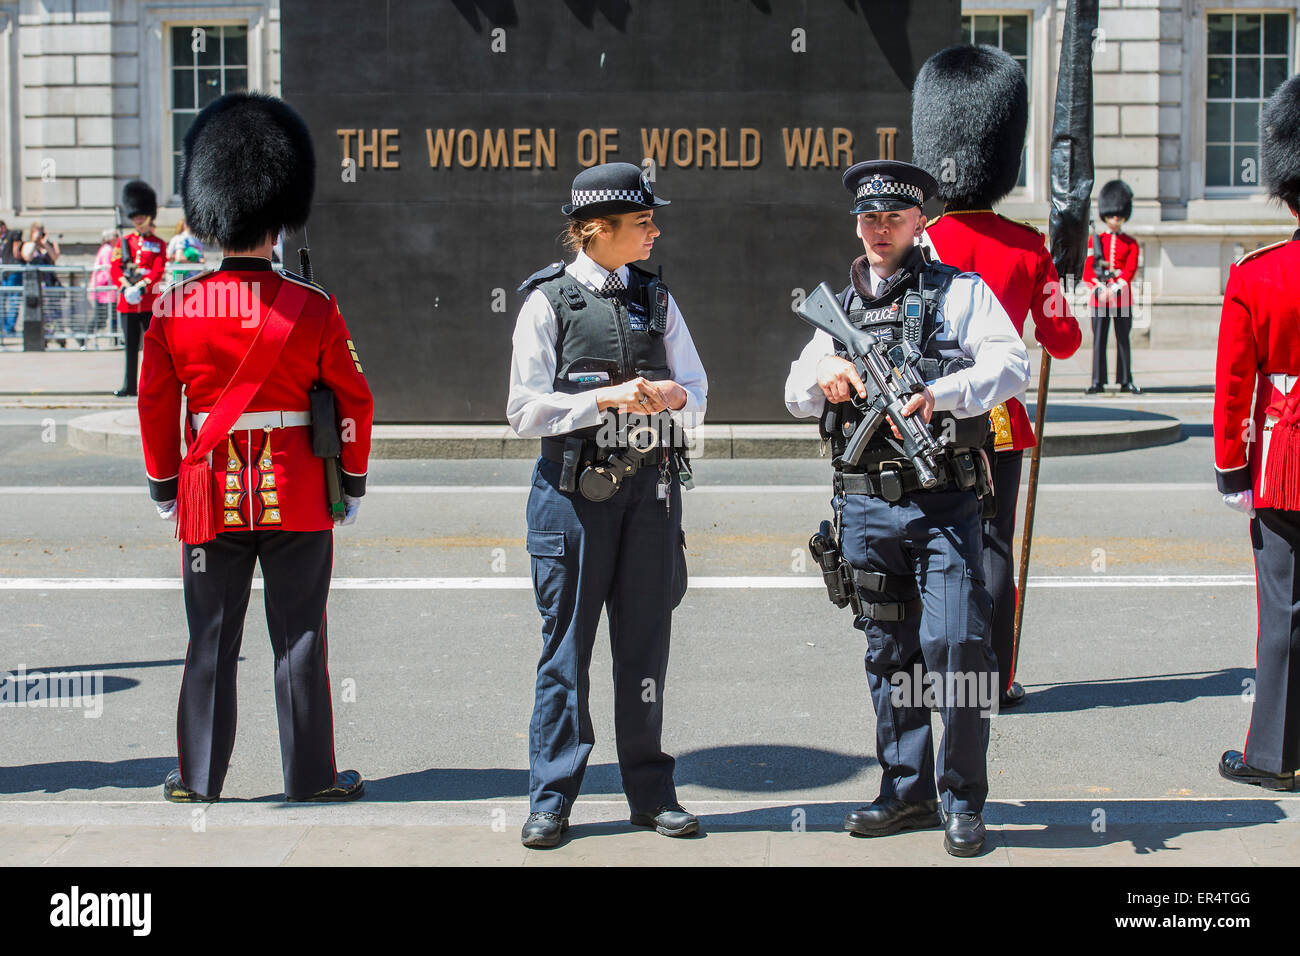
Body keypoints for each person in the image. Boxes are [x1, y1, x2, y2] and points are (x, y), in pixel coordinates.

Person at [784, 160, 1030, 856]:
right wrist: (825, 372)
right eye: (869, 219)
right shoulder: (837, 307)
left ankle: (962, 797)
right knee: (890, 653)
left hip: (945, 498)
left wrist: (943, 393)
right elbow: (795, 392)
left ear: (922, 221)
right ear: (856, 225)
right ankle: (905, 791)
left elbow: (1013, 364)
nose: (880, 230)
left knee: (959, 646)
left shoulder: (960, 292)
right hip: (865, 507)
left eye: (894, 218)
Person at [138, 92, 374, 803]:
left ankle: (200, 778)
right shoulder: (314, 305)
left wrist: (162, 484)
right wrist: (352, 481)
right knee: (300, 638)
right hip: (298, 491)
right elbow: (357, 399)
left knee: (208, 637)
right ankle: (310, 777)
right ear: (278, 215)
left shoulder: (174, 308)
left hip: (210, 493)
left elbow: (155, 403)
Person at [507, 162, 708, 848]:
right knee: (565, 651)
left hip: (651, 497)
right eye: (642, 223)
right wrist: (605, 400)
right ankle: (552, 797)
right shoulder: (547, 302)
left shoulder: (658, 298)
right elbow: (523, 410)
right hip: (572, 499)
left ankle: (651, 795)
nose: (655, 232)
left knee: (645, 649)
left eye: (652, 221)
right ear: (596, 231)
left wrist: (677, 400)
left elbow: (699, 391)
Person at [911, 44, 1082, 708]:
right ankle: (997, 676)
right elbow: (1063, 341)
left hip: (930, 415)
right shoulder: (1026, 245)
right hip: (1002, 420)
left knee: (934, 542)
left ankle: (939, 668)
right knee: (992, 546)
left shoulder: (923, 241)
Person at [1213, 75, 1300, 793]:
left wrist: (1231, 467)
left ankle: (1273, 755)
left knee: (1284, 609)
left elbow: (1235, 386)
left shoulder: (1260, 275)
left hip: (1286, 460)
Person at [1083, 180, 1141, 394]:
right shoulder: (1094, 241)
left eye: (1118, 215)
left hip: (1121, 297)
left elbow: (1130, 269)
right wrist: (1099, 288)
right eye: (1111, 215)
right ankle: (1097, 381)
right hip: (1099, 297)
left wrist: (1115, 287)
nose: (1115, 219)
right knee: (1099, 340)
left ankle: (1125, 380)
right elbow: (1087, 269)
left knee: (1123, 339)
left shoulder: (1131, 243)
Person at [110, 182, 166, 395]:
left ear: (149, 216)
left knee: (151, 349)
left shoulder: (158, 243)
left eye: (141, 216)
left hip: (148, 300)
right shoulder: (124, 242)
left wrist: (142, 288)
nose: (138, 220)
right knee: (130, 347)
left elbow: (157, 270)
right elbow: (115, 269)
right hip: (127, 303)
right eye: (135, 217)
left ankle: (150, 385)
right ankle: (129, 385)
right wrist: (125, 289)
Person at [23, 222, 67, 347]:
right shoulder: (28, 245)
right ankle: (43, 338)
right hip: (35, 284)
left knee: (55, 311)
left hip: (50, 282)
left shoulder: (51, 244)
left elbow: (54, 257)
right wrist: (34, 242)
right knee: (40, 312)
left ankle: (59, 337)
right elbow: (27, 256)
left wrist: (45, 244)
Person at [90, 229, 119, 339]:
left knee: (111, 315)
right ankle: (84, 337)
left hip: (106, 288)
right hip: (104, 288)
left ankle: (116, 339)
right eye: (116, 236)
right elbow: (109, 268)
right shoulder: (107, 250)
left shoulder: (110, 249)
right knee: (103, 316)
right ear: (110, 238)